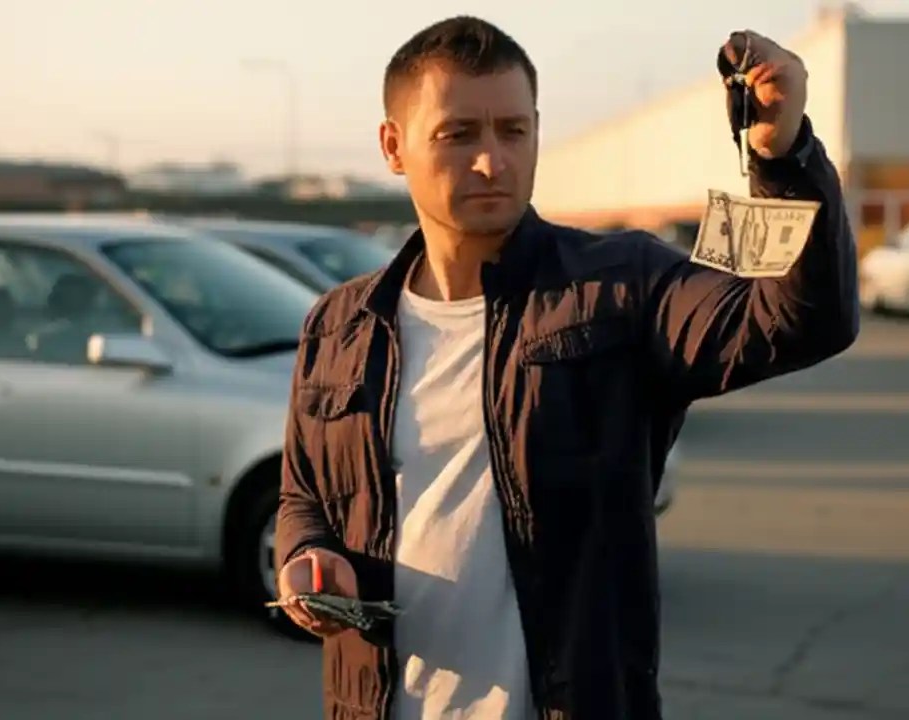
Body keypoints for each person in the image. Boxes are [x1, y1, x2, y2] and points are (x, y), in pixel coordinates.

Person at [274, 15, 857, 720]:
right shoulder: (340, 325)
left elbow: (799, 320)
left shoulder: (621, 286)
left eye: (513, 131)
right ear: (394, 147)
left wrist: (784, 155)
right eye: (459, 135)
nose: (492, 161)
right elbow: (304, 495)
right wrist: (308, 557)